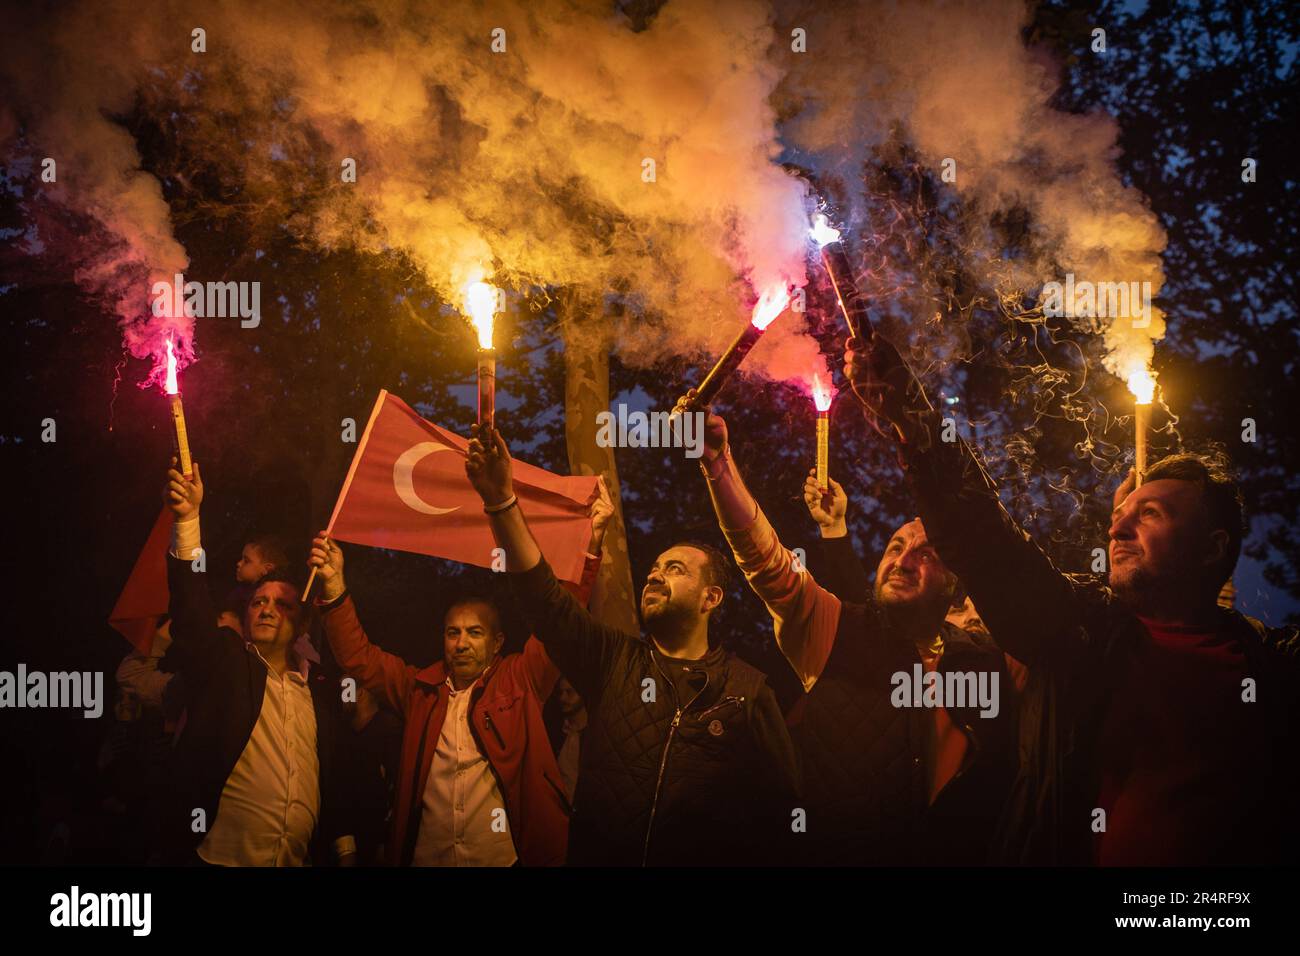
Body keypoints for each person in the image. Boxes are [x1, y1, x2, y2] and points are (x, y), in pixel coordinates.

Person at [843, 332, 1300, 864]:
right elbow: (987, 541)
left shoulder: (1275, 671)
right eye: (1119, 517)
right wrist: (914, 419)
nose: (1118, 530)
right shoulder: (1079, 633)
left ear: (1211, 549)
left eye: (1150, 515)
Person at [680, 397, 1014, 865]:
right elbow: (764, 559)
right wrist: (716, 463)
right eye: (895, 546)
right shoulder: (835, 632)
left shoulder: (989, 661)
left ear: (955, 582)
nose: (901, 560)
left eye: (926, 553)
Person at [464, 425, 800, 866]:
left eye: (675, 569)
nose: (655, 575)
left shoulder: (748, 691)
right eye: (655, 568)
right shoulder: (613, 661)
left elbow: (783, 819)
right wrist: (500, 500)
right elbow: (542, 598)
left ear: (710, 597)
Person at [307, 486, 613, 867]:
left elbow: (560, 621)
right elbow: (359, 659)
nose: (461, 643)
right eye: (453, 632)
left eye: (474, 632)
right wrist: (334, 585)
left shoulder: (522, 679)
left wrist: (591, 544)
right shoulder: (420, 689)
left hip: (501, 859)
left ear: (497, 641)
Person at [161, 459, 355, 866]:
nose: (267, 610)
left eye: (281, 605)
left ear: (300, 622)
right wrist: (188, 520)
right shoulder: (226, 664)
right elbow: (192, 612)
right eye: (258, 602)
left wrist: (345, 848)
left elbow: (335, 776)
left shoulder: (317, 691)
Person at [544, 678, 587, 804]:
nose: (563, 698)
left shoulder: (593, 734)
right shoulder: (556, 730)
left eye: (569, 692)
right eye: (560, 693)